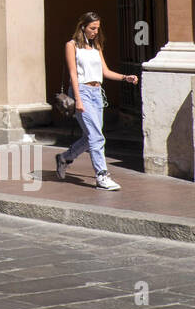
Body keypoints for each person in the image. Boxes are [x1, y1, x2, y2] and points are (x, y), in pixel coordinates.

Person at [54, 12, 138, 191]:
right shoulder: (72, 45)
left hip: (96, 93)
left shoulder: (96, 46)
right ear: (83, 26)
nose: (95, 32)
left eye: (97, 28)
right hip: (82, 92)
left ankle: (64, 158)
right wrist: (78, 99)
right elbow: (73, 75)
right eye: (92, 28)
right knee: (96, 136)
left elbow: (105, 72)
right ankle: (102, 175)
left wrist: (125, 77)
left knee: (91, 136)